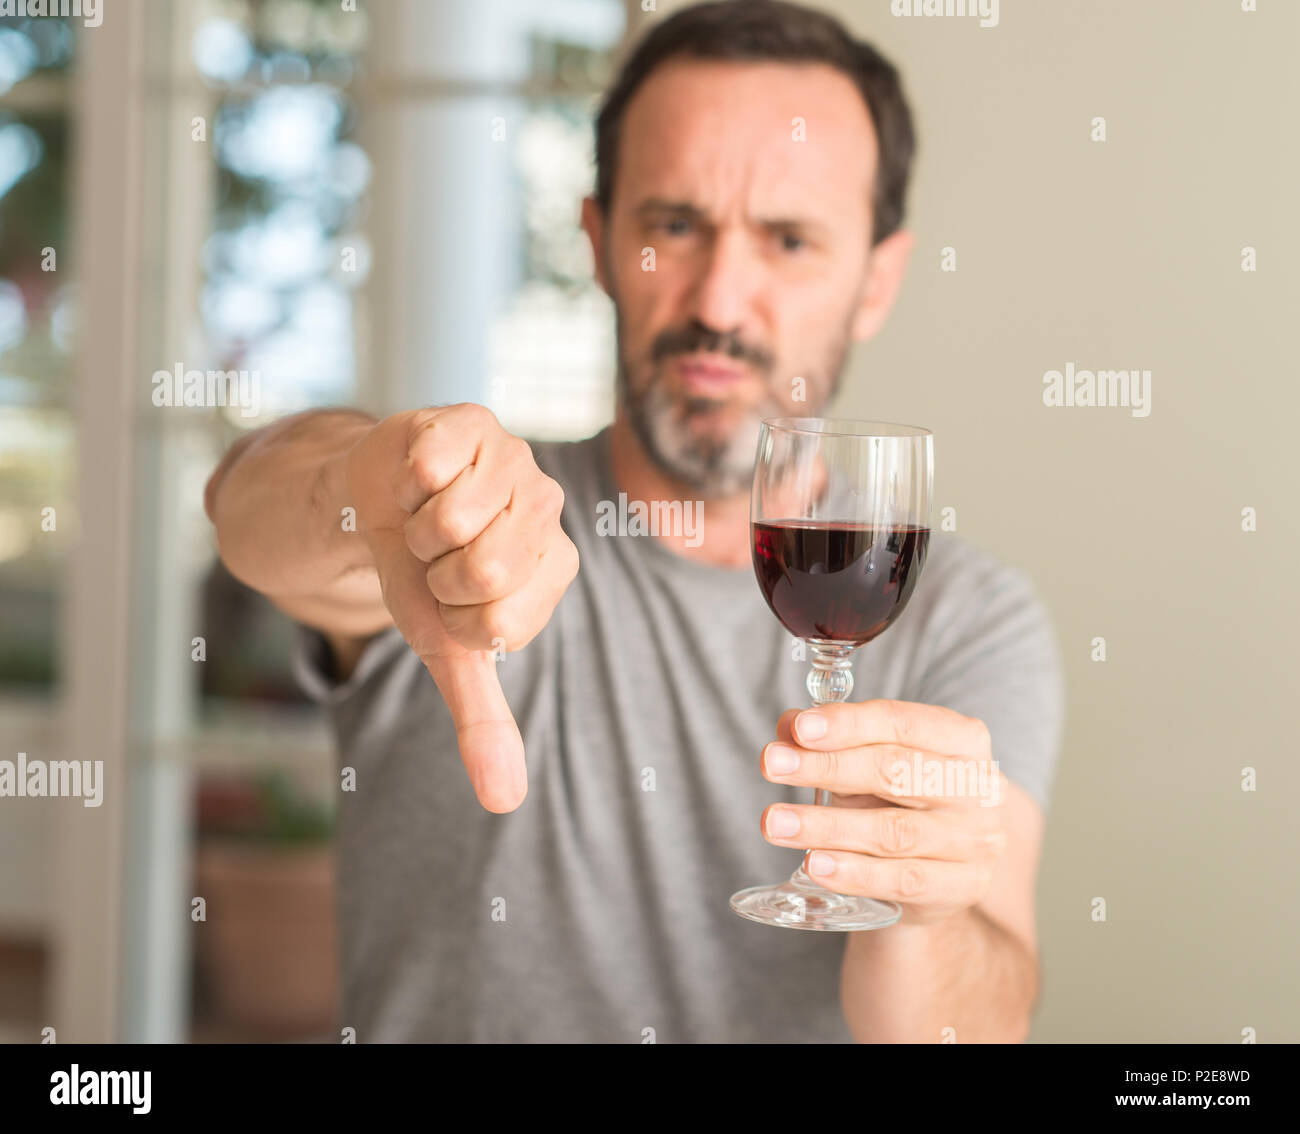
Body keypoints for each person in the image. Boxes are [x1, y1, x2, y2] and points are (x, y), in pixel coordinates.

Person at [204, 0, 1064, 1043]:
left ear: (874, 279)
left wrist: (922, 918)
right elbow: (247, 514)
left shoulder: (970, 618)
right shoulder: (460, 530)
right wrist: (359, 477)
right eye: (672, 227)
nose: (719, 299)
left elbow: (977, 1026)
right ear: (600, 243)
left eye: (788, 240)